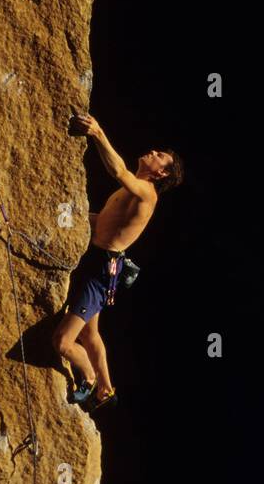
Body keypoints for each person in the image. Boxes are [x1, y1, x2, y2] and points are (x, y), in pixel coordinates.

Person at [51, 113, 183, 410]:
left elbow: (118, 170)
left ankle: (87, 378)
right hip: (99, 261)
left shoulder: (146, 193)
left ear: (161, 173)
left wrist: (97, 132)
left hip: (101, 270)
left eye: (159, 156)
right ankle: (107, 390)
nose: (152, 152)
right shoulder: (132, 190)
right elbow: (105, 223)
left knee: (62, 342)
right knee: (89, 332)